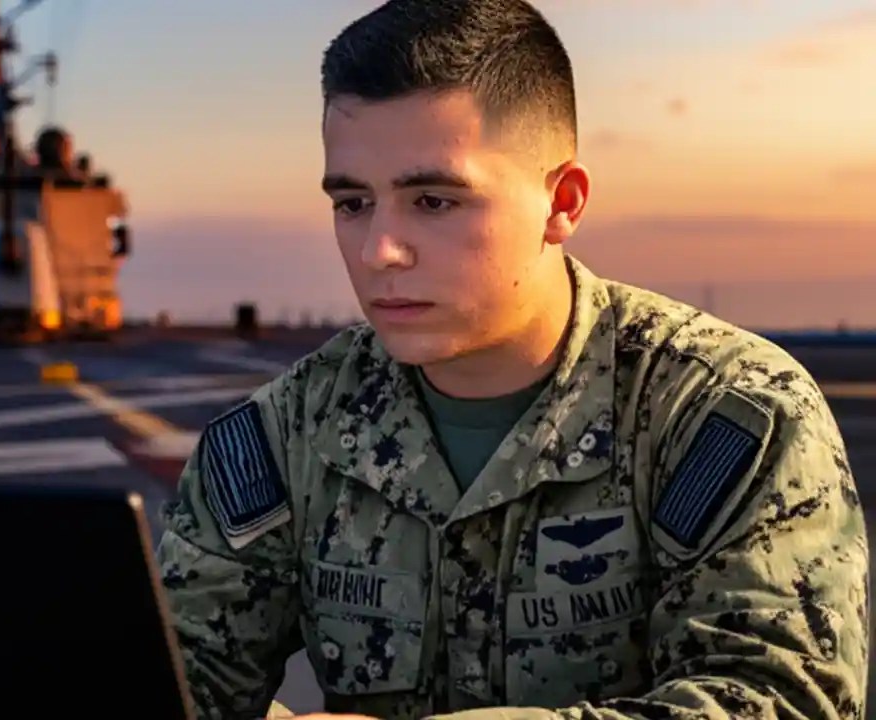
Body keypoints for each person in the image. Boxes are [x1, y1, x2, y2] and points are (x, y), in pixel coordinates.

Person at [154, 0, 870, 718]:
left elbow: (778, 700)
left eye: (433, 201)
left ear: (562, 202)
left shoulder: (720, 416)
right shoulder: (284, 437)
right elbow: (174, 680)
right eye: (352, 204)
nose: (378, 252)